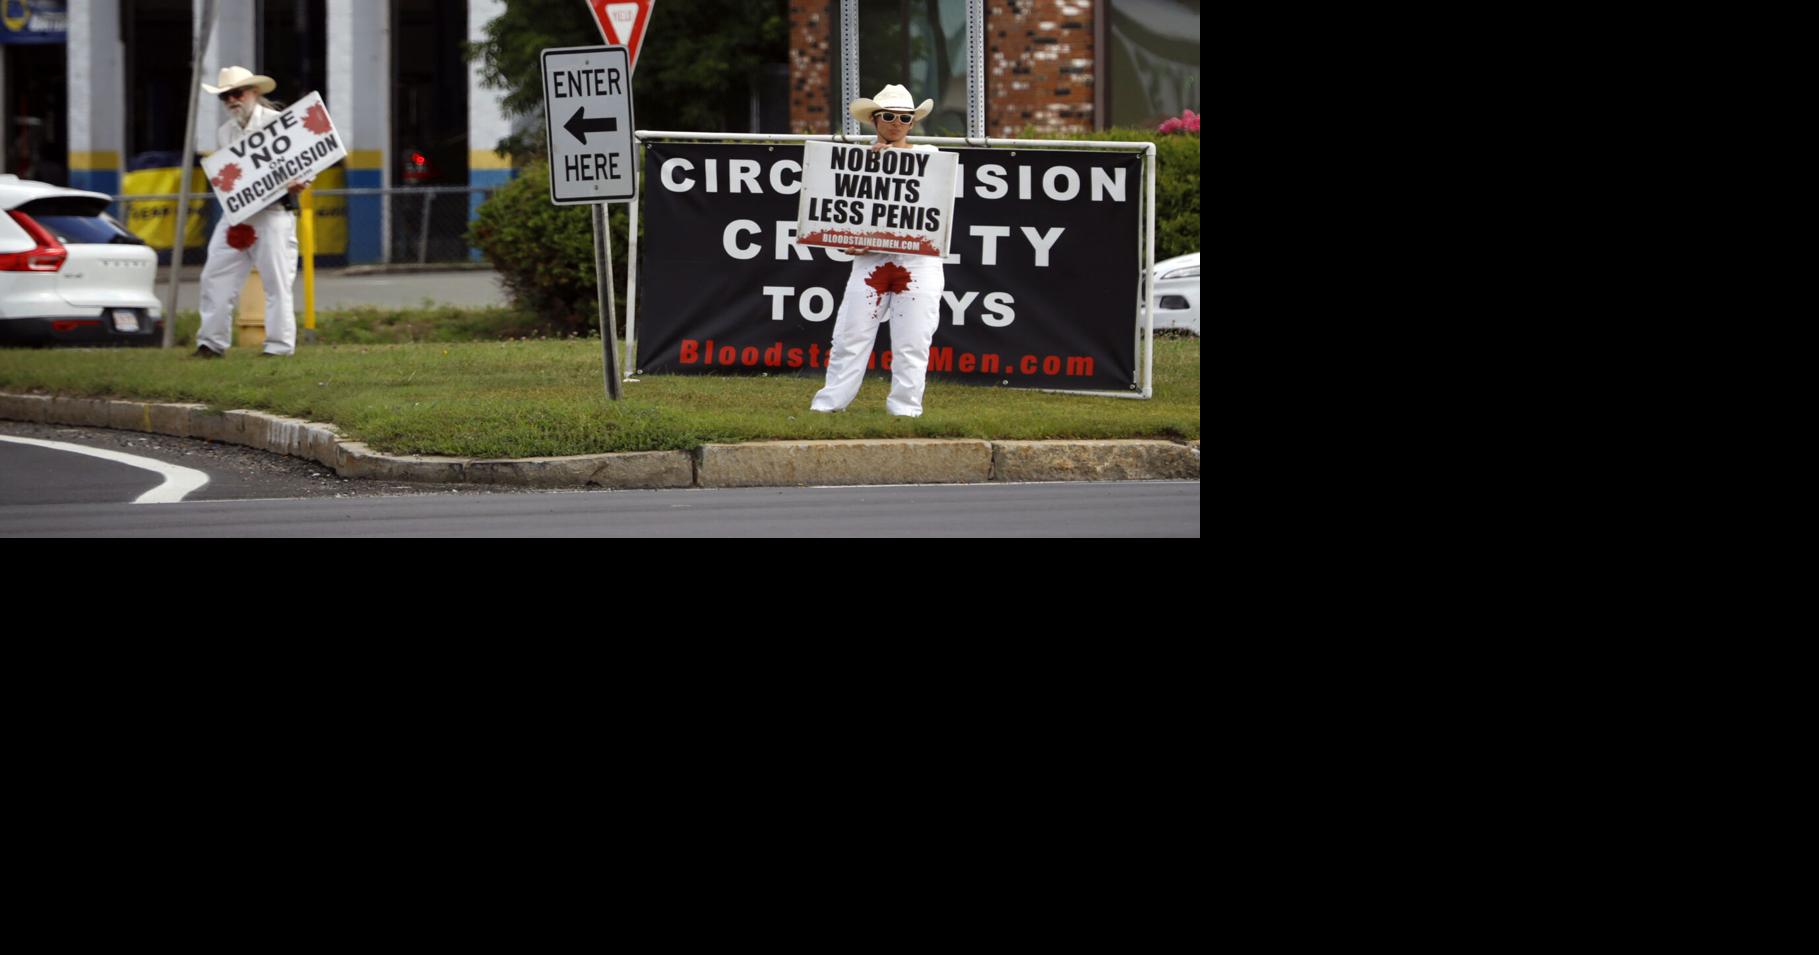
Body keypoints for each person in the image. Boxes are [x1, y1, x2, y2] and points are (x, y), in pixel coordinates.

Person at [809, 84, 944, 417]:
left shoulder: (930, 154)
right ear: (874, 119)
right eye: (889, 116)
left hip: (919, 262)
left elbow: (935, 197)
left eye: (904, 117)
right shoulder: (854, 162)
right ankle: (828, 406)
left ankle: (906, 411)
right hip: (870, 261)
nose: (896, 123)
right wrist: (849, 241)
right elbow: (844, 217)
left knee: (912, 341)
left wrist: (891, 160)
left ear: (912, 122)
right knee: (849, 336)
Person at [192, 66, 309, 358]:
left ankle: (279, 347)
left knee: (277, 282)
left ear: (253, 93)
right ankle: (211, 342)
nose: (232, 100)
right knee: (214, 276)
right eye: (225, 96)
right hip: (237, 215)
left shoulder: (279, 123)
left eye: (236, 93)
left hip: (272, 214)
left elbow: (308, 160)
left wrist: (300, 181)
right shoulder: (225, 132)